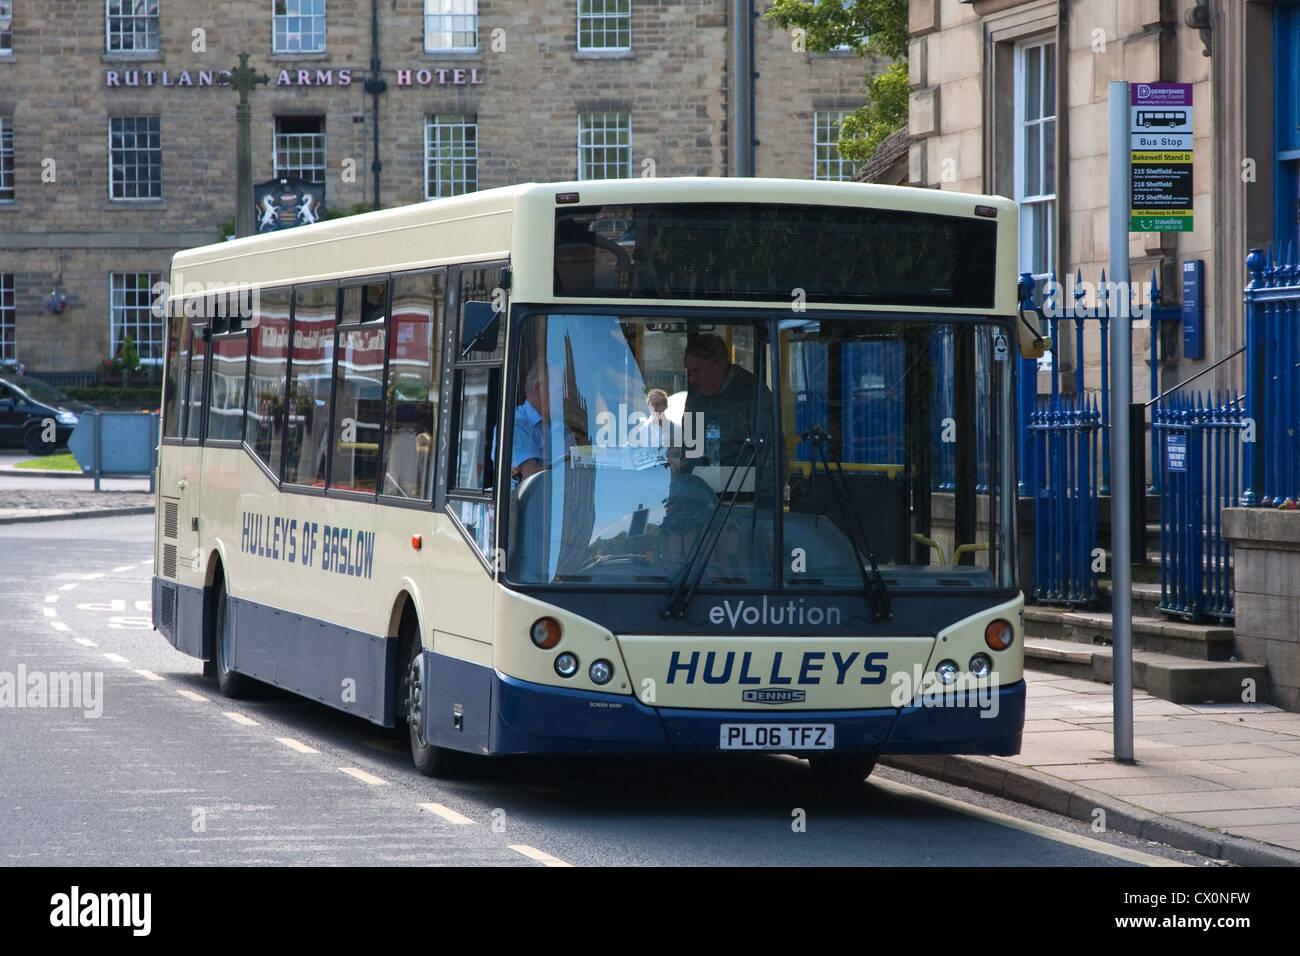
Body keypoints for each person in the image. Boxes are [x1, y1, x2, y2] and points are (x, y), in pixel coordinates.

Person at [682, 333, 771, 466]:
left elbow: (770, 454)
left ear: (718, 366)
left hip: (741, 484)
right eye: (689, 372)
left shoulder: (751, 392)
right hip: (698, 483)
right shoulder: (696, 396)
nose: (692, 379)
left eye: (697, 371)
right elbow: (689, 449)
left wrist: (764, 488)